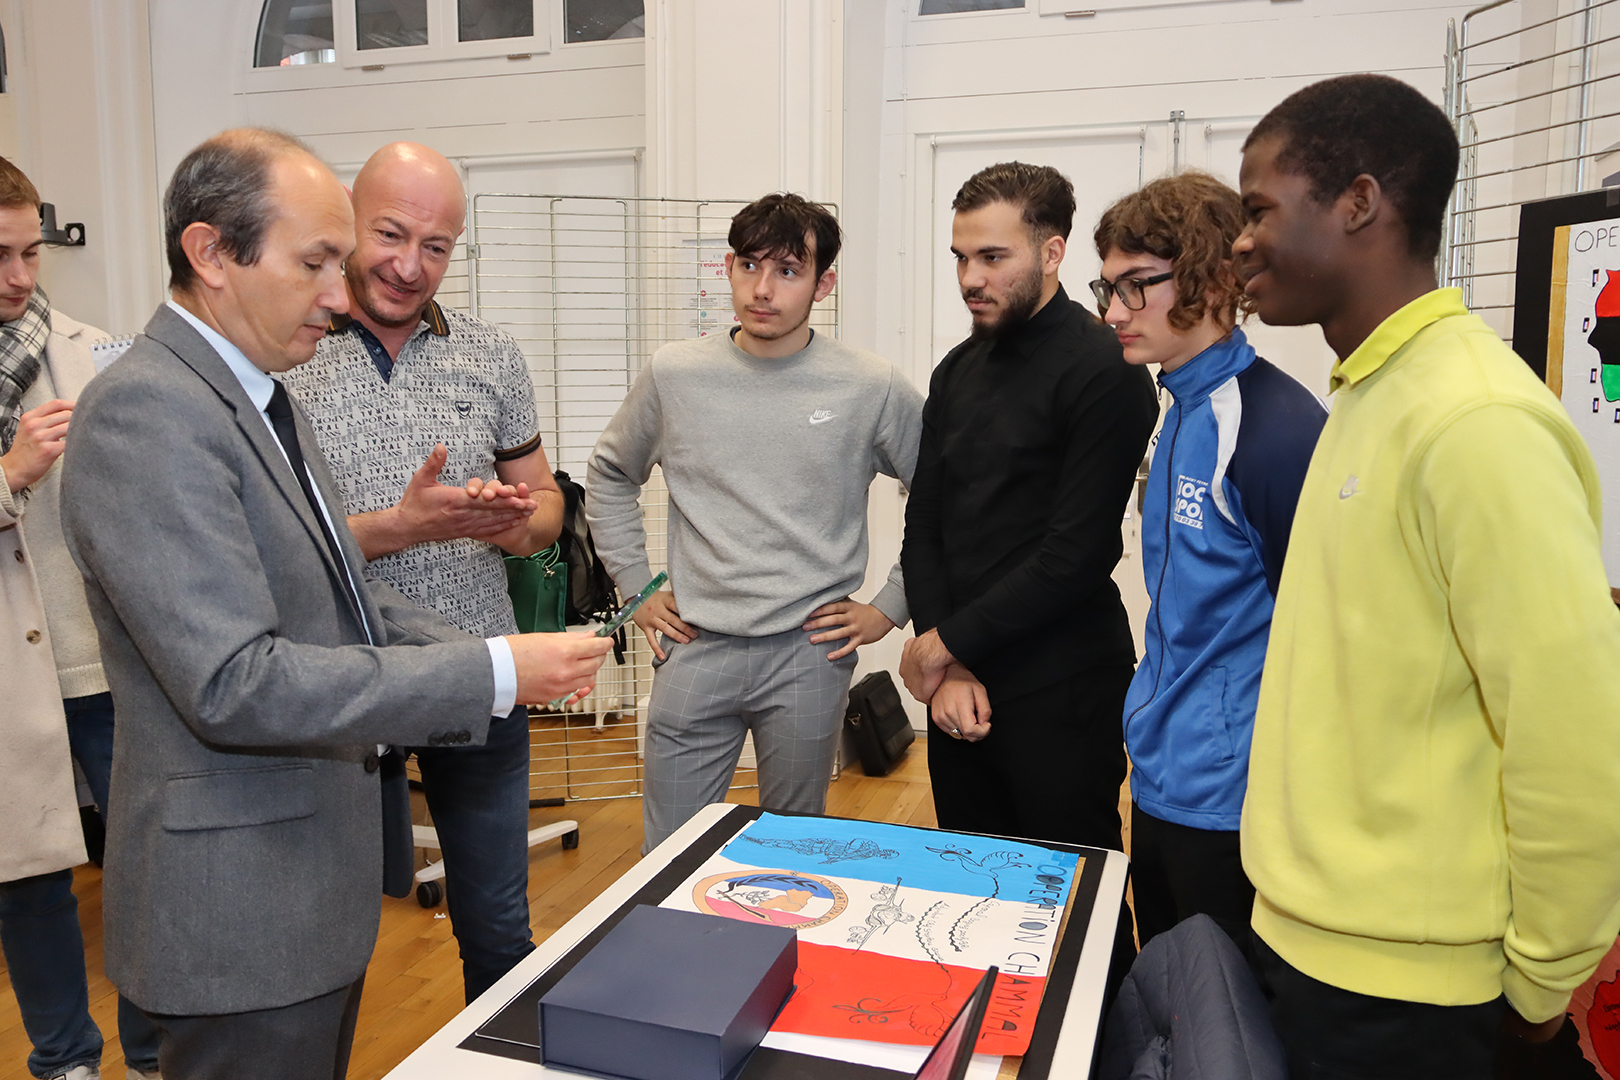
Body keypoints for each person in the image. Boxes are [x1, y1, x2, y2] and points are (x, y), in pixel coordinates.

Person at [58, 128, 612, 1080]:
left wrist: (504, 662)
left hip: (302, 893)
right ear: (211, 253)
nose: (338, 292)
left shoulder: (259, 399)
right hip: (242, 913)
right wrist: (488, 667)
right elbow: (234, 683)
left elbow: (338, 591)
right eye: (317, 261)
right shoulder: (146, 412)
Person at [1234, 74, 1620, 1078]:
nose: (1238, 241)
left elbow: (1573, 736)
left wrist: (1543, 982)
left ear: (1358, 203)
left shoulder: (1477, 421)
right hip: (1320, 949)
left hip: (1411, 994)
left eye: (1259, 209)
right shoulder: (1372, 392)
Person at [282, 141, 562, 1003]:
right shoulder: (288, 348)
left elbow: (548, 505)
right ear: (347, 220)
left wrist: (514, 525)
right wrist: (399, 528)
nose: (409, 266)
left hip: (476, 671)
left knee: (499, 925)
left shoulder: (492, 355)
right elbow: (267, 542)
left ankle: (497, 1054)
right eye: (390, 235)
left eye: (435, 246)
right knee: (322, 932)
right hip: (336, 681)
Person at [586, 192, 923, 852]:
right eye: (748, 265)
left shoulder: (870, 386)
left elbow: (943, 494)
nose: (762, 289)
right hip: (695, 643)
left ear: (823, 284)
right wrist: (637, 588)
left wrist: (891, 605)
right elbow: (609, 474)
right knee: (670, 856)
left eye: (788, 271)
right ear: (729, 268)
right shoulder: (675, 374)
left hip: (809, 651)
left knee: (790, 851)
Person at [1091, 172, 1325, 954]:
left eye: (1136, 286)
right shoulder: (1179, 407)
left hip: (1233, 802)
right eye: (1108, 287)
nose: (1113, 311)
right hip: (1163, 772)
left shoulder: (1272, 429)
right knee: (1167, 989)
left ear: (1216, 280)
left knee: (1223, 1008)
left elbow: (1324, 635)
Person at [899, 161, 1158, 851]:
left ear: (1051, 253)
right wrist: (950, 666)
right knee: (971, 881)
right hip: (961, 682)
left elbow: (1076, 555)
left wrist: (941, 647)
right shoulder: (957, 370)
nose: (969, 278)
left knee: (1071, 889)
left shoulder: (1105, 367)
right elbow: (925, 527)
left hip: (1062, 683)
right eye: (961, 258)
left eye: (992, 257)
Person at [0, 157, 162, 1080]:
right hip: (6, 673)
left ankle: (151, 1054)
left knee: (141, 867)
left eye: (31, 253)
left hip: (98, 658)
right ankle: (64, 1059)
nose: (20, 277)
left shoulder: (93, 351)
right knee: (27, 878)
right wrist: (8, 474)